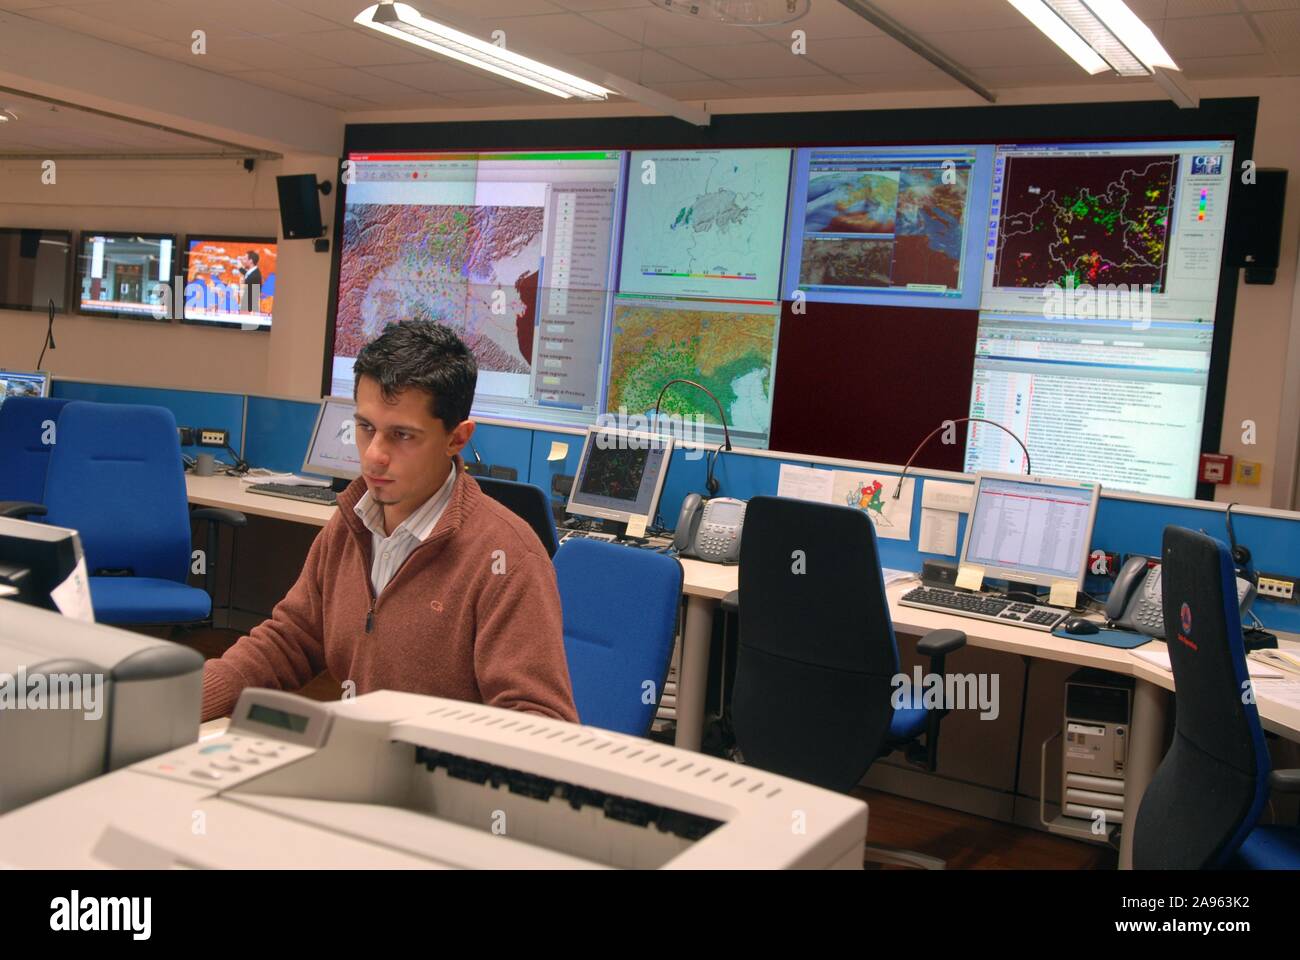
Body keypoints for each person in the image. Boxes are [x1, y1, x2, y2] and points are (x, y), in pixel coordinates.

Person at [200, 320, 578, 722]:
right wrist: (182, 700)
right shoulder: (351, 523)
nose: (373, 456)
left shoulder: (507, 558)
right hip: (359, 763)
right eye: (365, 428)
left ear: (457, 438)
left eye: (402, 435)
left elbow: (539, 722)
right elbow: (290, 640)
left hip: (432, 777)